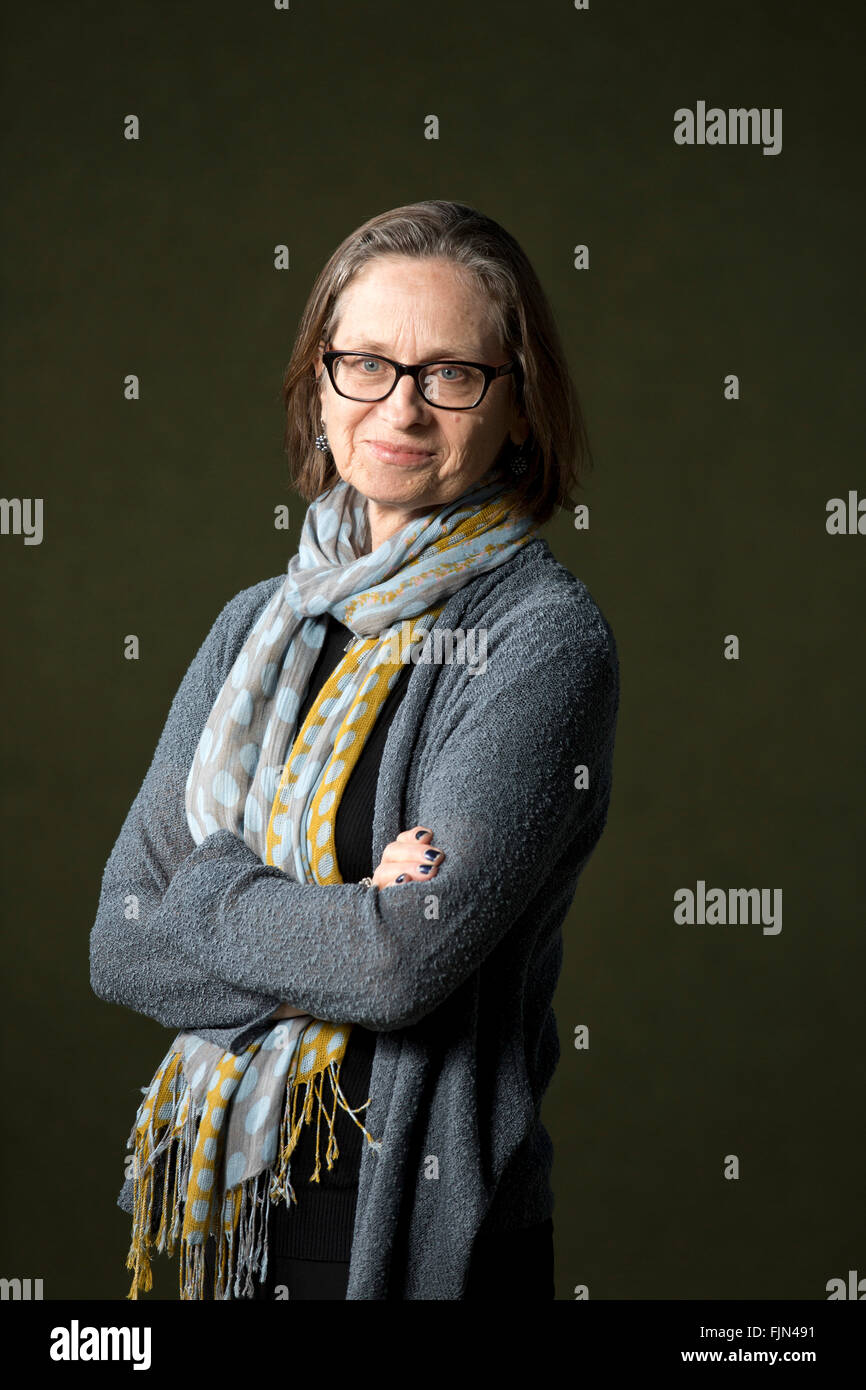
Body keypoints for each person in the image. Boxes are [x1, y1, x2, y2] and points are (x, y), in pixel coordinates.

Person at [89, 198, 620, 1301]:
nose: (400, 407)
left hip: (412, 1233)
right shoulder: (254, 626)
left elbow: (400, 962)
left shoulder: (540, 641)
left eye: (449, 374)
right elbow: (120, 942)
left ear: (520, 407)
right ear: (318, 383)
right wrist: (338, 918)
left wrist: (211, 888)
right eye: (365, 364)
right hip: (226, 1222)